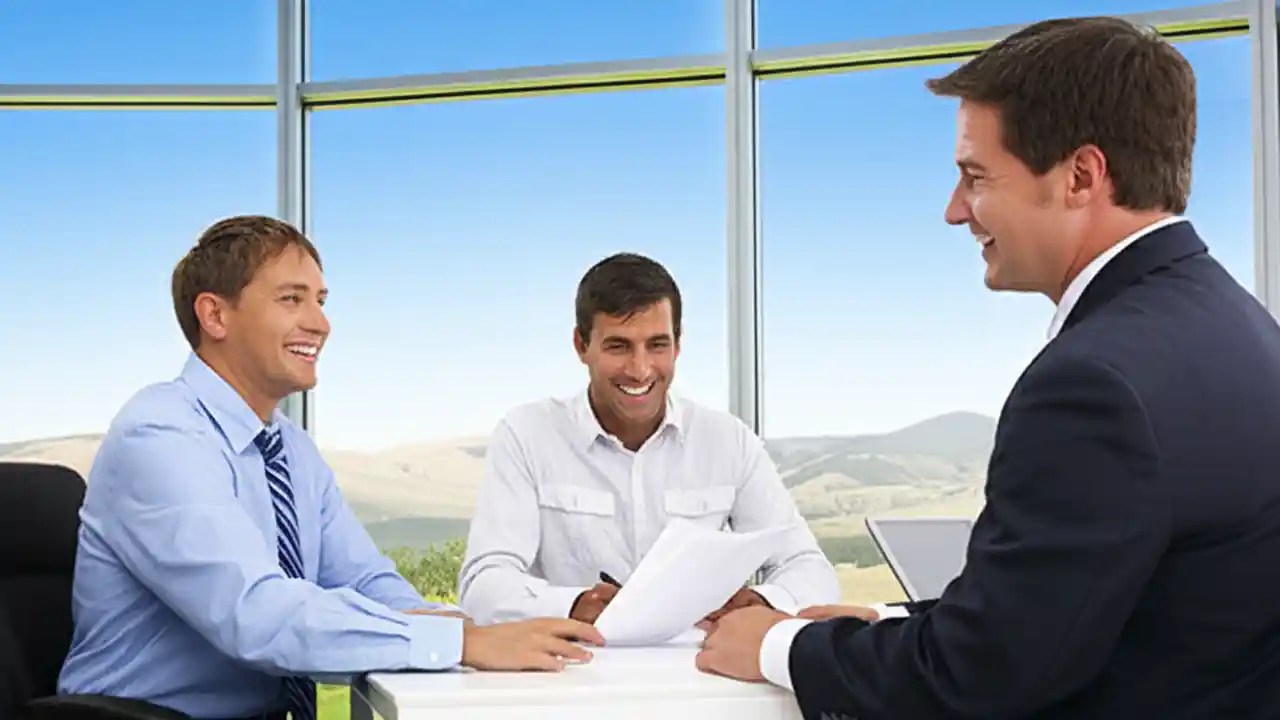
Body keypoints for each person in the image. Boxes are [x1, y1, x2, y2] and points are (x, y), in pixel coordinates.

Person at [695, 16, 1280, 719]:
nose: (953, 211)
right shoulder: (1241, 327)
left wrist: (775, 646)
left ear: (1081, 176)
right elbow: (1105, 606)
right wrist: (893, 623)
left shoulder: (1094, 385)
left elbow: (980, 679)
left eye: (975, 177)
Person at [58, 216, 603, 720]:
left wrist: (467, 631)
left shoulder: (289, 449)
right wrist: (463, 645)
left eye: (320, 300)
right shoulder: (159, 435)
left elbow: (364, 579)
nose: (320, 323)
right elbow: (255, 613)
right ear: (215, 314)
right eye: (292, 299)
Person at [458, 252, 839, 627]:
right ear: (581, 345)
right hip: (571, 672)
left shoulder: (729, 442)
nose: (640, 369)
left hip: (704, 672)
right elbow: (483, 588)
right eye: (618, 346)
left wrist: (760, 601)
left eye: (657, 345)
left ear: (678, 344)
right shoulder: (527, 434)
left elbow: (809, 569)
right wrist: (575, 605)